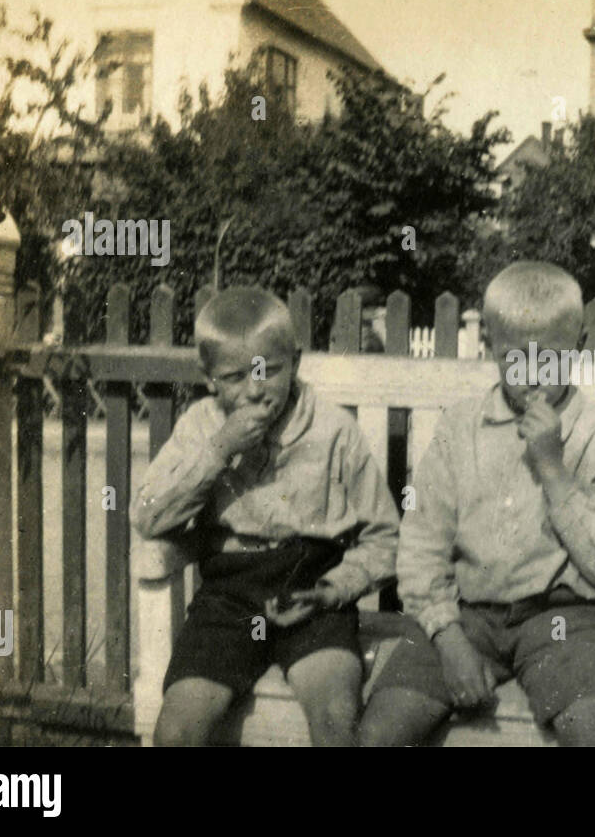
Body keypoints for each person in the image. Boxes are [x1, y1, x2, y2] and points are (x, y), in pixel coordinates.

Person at [358, 261, 595, 746]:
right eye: (515, 359)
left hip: (564, 619)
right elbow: (422, 548)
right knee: (381, 732)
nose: (532, 378)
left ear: (582, 346)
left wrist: (553, 470)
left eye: (548, 360)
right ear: (488, 345)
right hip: (465, 615)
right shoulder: (458, 428)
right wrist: (448, 640)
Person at [132, 286, 399, 746]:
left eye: (269, 371)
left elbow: (384, 538)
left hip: (313, 590)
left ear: (295, 361)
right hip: (229, 596)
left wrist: (335, 590)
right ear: (209, 377)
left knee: (336, 716)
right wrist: (219, 449)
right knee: (177, 730)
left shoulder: (334, 430)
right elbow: (149, 516)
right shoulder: (201, 426)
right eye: (235, 377)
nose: (255, 389)